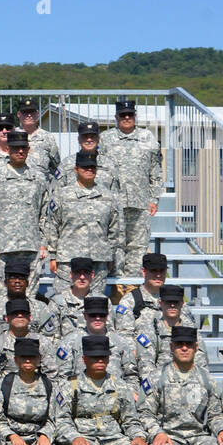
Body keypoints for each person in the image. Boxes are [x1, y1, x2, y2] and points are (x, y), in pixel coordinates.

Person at [0, 129, 50, 303]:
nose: (20, 151)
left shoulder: (39, 178)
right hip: (1, 248)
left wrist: (44, 243)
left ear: (29, 149)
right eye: (15, 148)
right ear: (7, 149)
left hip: (31, 247)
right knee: (1, 298)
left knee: (28, 297)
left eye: (23, 148)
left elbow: (45, 214)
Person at [98, 98, 163, 279]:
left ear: (135, 116)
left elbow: (155, 171)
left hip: (140, 202)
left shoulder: (147, 137)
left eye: (130, 114)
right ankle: (117, 285)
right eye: (122, 115)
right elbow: (99, 170)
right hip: (113, 203)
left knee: (138, 247)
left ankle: (132, 285)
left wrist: (154, 199)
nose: (126, 118)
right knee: (115, 246)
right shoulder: (105, 139)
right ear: (116, 117)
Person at [45, 151, 122, 296]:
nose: (89, 170)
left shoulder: (108, 196)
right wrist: (53, 256)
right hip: (68, 258)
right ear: (76, 169)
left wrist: (110, 255)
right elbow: (52, 225)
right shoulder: (62, 194)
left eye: (92, 167)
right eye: (85, 167)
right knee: (64, 301)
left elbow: (114, 229)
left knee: (95, 303)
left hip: (98, 259)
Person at [14, 97, 60, 181]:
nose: (29, 115)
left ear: (37, 114)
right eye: (25, 112)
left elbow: (56, 165)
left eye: (32, 112)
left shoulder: (47, 137)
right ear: (18, 114)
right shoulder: (12, 136)